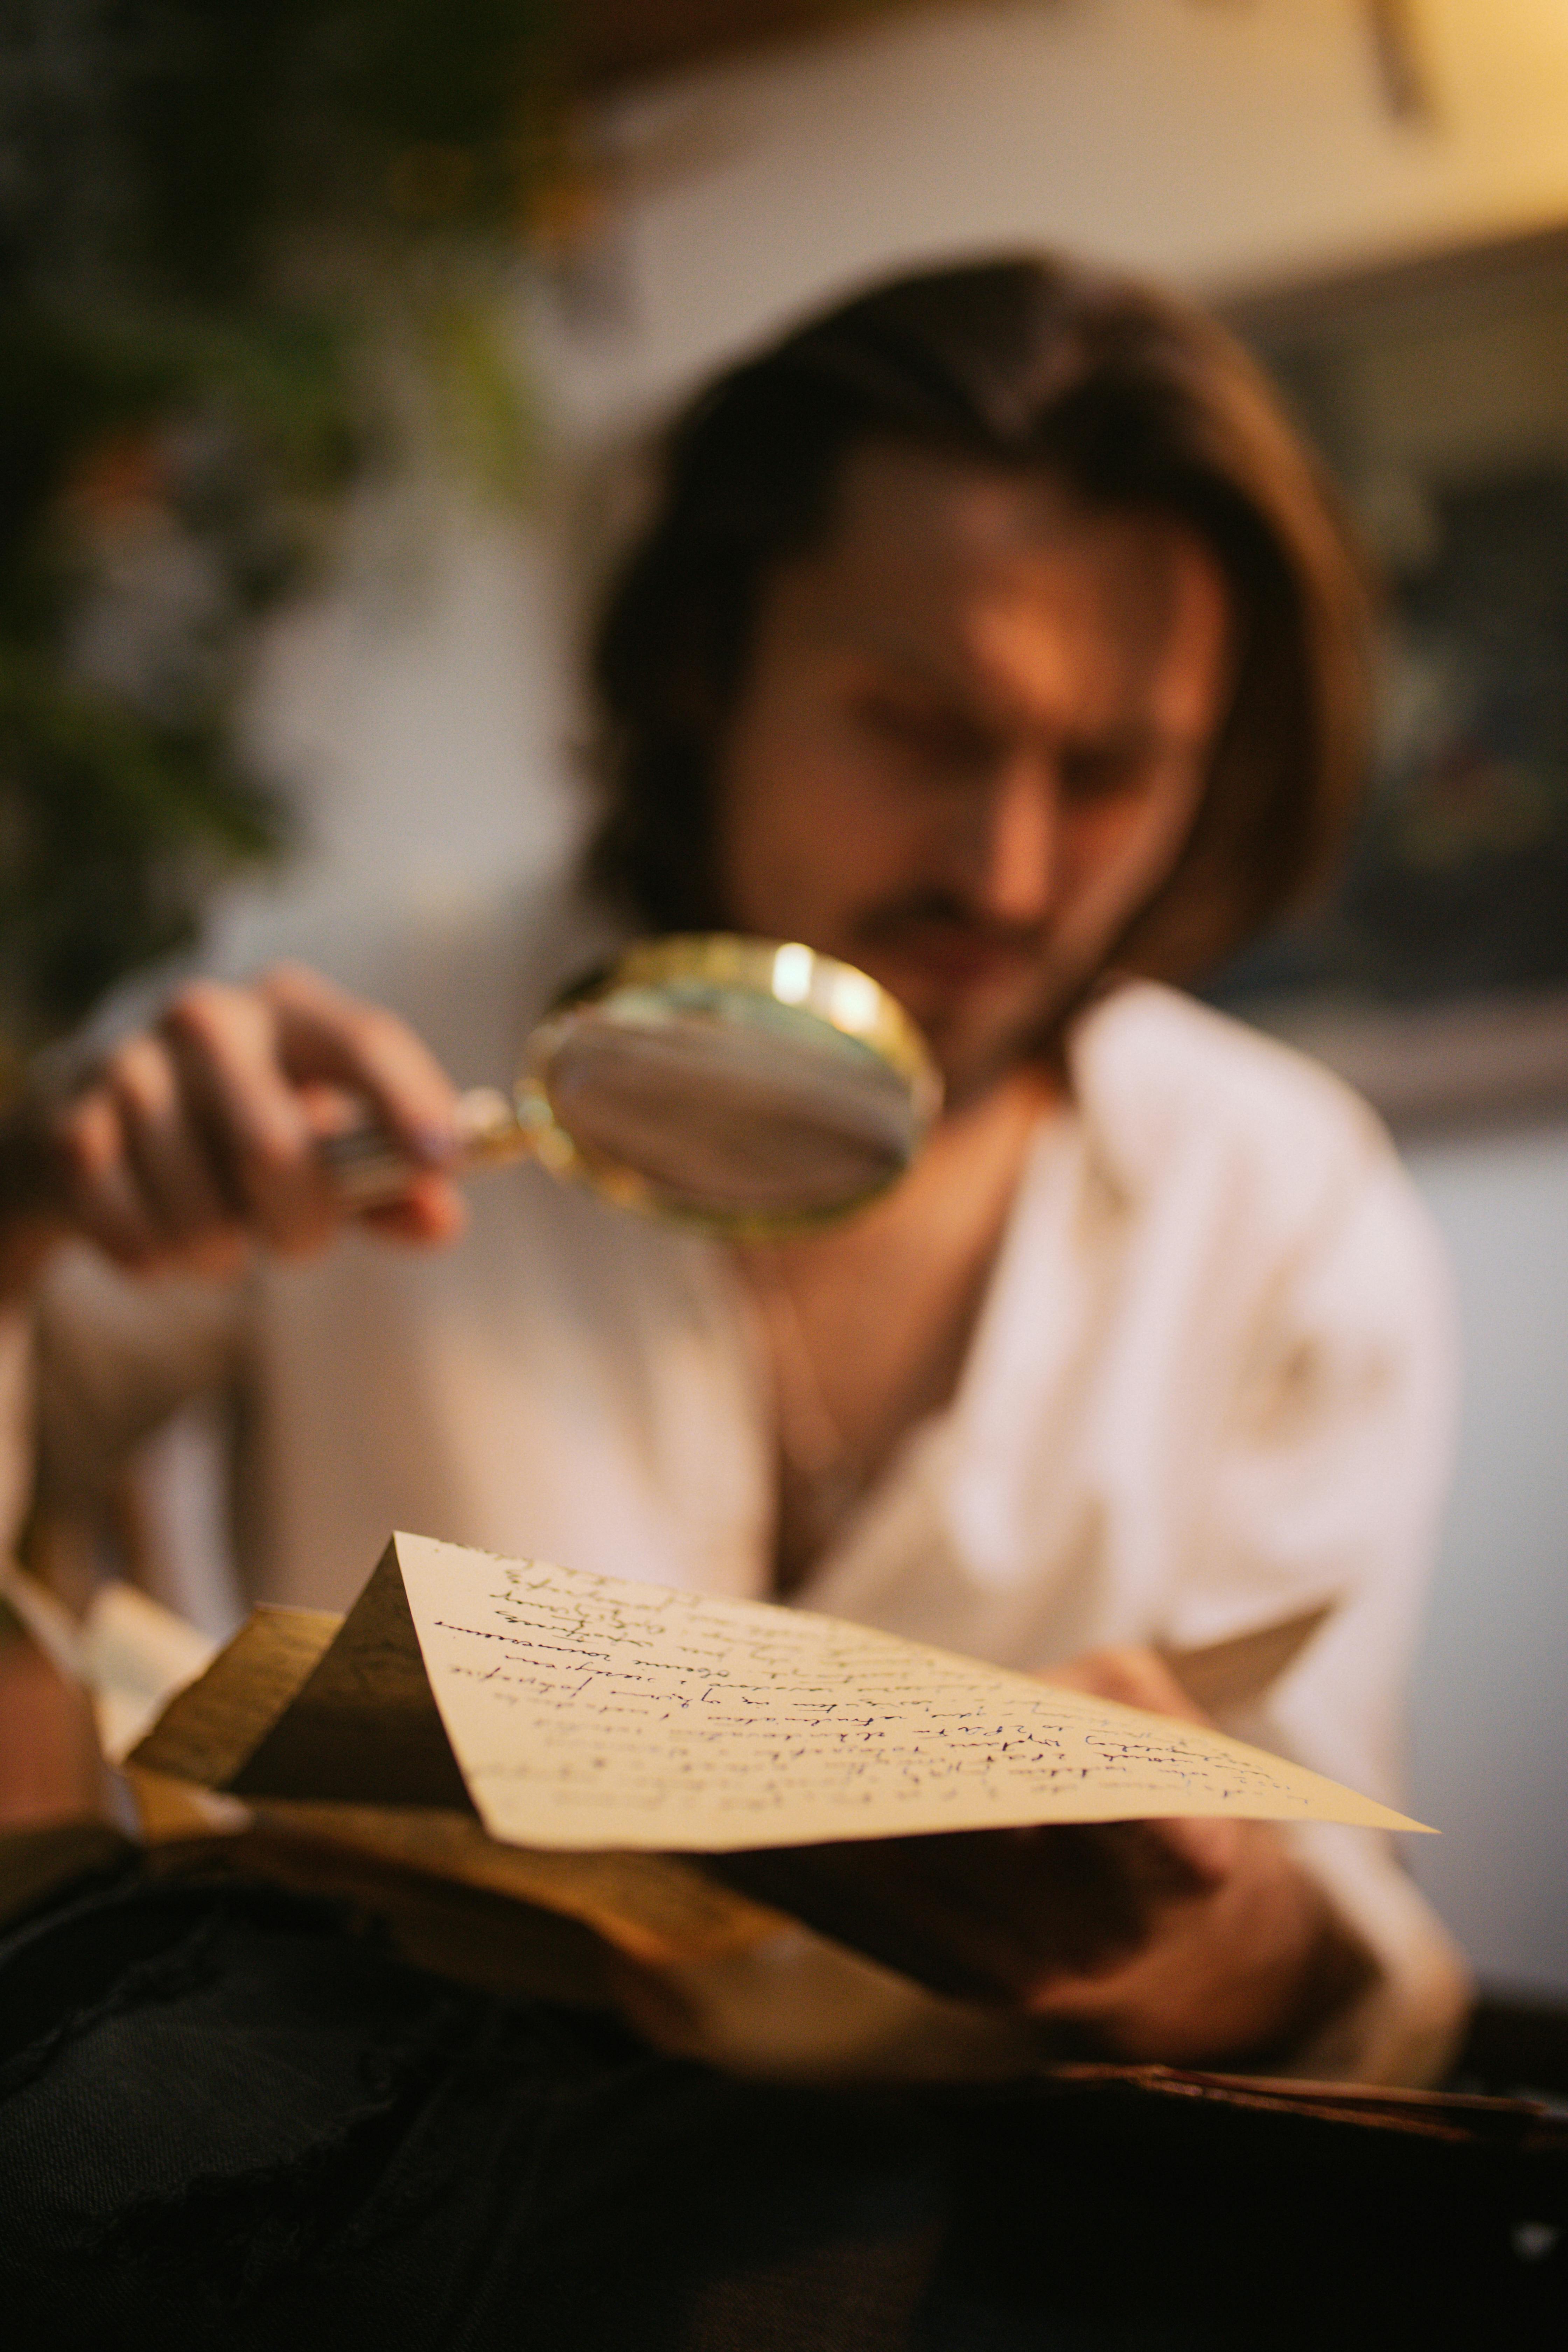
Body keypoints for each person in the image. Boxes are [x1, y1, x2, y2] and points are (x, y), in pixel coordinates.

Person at [0, 255, 1469, 2084]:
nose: (1009, 875)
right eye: (919, 727)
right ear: (706, 659)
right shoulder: (345, 1037)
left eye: (1111, 770)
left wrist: (1194, 1927)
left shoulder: (1283, 1206)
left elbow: (1355, 1971)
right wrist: (29, 1212)